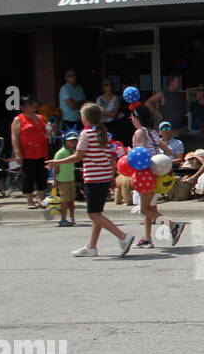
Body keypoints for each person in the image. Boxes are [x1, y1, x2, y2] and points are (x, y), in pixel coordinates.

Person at [48, 103, 135, 257]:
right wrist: (111, 176)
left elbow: (78, 156)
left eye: (81, 115)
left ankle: (123, 237)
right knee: (97, 214)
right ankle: (91, 247)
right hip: (102, 178)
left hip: (93, 178)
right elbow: (110, 157)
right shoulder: (103, 132)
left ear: (86, 118)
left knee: (93, 214)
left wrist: (57, 162)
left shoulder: (85, 134)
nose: (81, 118)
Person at [130, 105, 166, 249]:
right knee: (150, 207)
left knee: (144, 209)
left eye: (132, 117)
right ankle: (147, 238)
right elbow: (164, 147)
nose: (131, 119)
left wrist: (130, 153)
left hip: (144, 172)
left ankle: (172, 225)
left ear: (137, 118)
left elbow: (142, 151)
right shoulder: (152, 132)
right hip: (154, 171)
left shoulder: (139, 132)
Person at [11, 95, 51, 209]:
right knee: (28, 176)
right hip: (27, 152)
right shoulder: (19, 119)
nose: (34, 106)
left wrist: (49, 130)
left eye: (34, 103)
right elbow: (15, 137)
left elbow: (45, 132)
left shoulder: (40, 117)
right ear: (23, 107)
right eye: (30, 104)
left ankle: (41, 199)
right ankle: (29, 200)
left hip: (41, 151)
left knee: (41, 176)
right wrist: (18, 153)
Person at [47, 130, 79, 226]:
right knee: (64, 201)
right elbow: (55, 167)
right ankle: (63, 219)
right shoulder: (60, 153)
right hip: (62, 180)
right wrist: (55, 180)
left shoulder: (74, 152)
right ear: (65, 141)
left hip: (71, 179)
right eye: (70, 140)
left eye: (75, 140)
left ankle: (72, 218)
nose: (73, 142)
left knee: (71, 201)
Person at [58, 69, 86, 136]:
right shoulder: (64, 88)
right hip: (67, 120)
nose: (73, 77)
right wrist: (79, 103)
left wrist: (76, 103)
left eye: (74, 75)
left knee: (80, 141)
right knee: (69, 142)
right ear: (65, 78)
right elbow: (72, 105)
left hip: (79, 119)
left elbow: (85, 103)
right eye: (70, 76)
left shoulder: (79, 88)